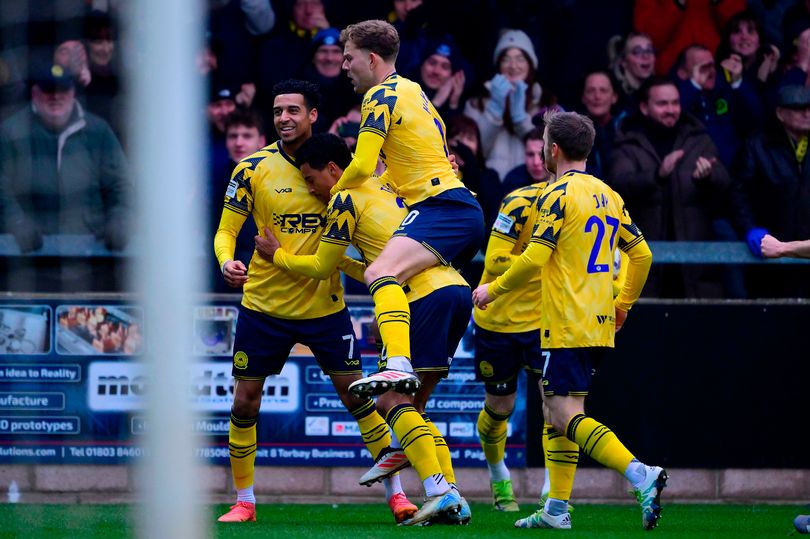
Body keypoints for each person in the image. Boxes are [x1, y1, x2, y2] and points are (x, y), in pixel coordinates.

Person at [213, 80, 410, 523]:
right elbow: (227, 231)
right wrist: (227, 261)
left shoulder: (348, 170)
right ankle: (245, 501)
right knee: (245, 402)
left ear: (313, 114)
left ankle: (397, 496)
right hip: (264, 306)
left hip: (325, 307)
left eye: (293, 111)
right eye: (278, 110)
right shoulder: (251, 169)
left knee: (358, 399)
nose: (284, 118)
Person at [253, 132, 473, 525]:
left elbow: (320, 266)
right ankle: (452, 497)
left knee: (391, 403)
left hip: (418, 299)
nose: (309, 188)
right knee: (414, 409)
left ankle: (439, 490)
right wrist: (343, 264)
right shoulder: (389, 183)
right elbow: (365, 258)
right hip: (454, 290)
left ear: (334, 170)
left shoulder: (344, 197)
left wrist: (278, 255)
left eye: (310, 179)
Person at [472, 110, 667, 531]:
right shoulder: (608, 194)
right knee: (553, 411)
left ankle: (640, 473)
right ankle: (556, 510)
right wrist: (624, 304)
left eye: (544, 141)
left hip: (565, 322)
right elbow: (643, 254)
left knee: (563, 415)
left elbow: (535, 257)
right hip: (597, 321)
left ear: (553, 149)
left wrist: (494, 288)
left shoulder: (556, 195)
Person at [333, 20, 484, 398]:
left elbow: (362, 166)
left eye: (349, 58)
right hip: (456, 207)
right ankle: (401, 441)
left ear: (370, 58)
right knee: (402, 404)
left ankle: (396, 363)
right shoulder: (415, 92)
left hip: (442, 207)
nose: (344, 67)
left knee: (381, 270)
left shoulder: (379, 96)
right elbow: (409, 167)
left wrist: (331, 195)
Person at [0, 63, 130, 289]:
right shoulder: (11, 132)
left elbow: (121, 184)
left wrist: (120, 218)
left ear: (73, 93)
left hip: (94, 262)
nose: (55, 97)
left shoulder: (98, 131)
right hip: (30, 264)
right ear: (34, 93)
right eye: (48, 91)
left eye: (62, 90)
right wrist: (16, 221)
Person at [607, 76, 732, 298]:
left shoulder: (697, 138)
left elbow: (725, 185)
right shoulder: (628, 142)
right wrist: (656, 175)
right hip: (646, 264)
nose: (671, 109)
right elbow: (617, 186)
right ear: (645, 107)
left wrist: (707, 177)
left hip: (695, 265)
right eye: (662, 104)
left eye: (675, 103)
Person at [473, 173, 550, 513]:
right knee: (500, 409)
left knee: (557, 409)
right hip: (498, 318)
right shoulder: (518, 202)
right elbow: (495, 261)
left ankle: (553, 492)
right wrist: (544, 265)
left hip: (545, 322)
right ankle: (498, 473)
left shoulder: (578, 203)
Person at [731, 84, 810, 297]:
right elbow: (738, 193)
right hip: (770, 247)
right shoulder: (757, 145)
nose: (807, 113)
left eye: (809, 108)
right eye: (798, 108)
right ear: (781, 113)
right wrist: (750, 227)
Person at [464, 29, 547, 179]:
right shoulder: (476, 105)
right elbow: (474, 154)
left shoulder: (545, 105)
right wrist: (494, 112)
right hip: (491, 188)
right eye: (506, 59)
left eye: (520, 58)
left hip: (532, 188)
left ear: (530, 64)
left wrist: (521, 122)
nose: (513, 66)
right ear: (498, 65)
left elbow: (552, 154)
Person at [207, 108, 265, 293]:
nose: (239, 142)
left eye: (247, 135)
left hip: (266, 274)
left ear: (261, 141)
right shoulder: (210, 180)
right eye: (233, 136)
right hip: (220, 273)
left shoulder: (276, 178)